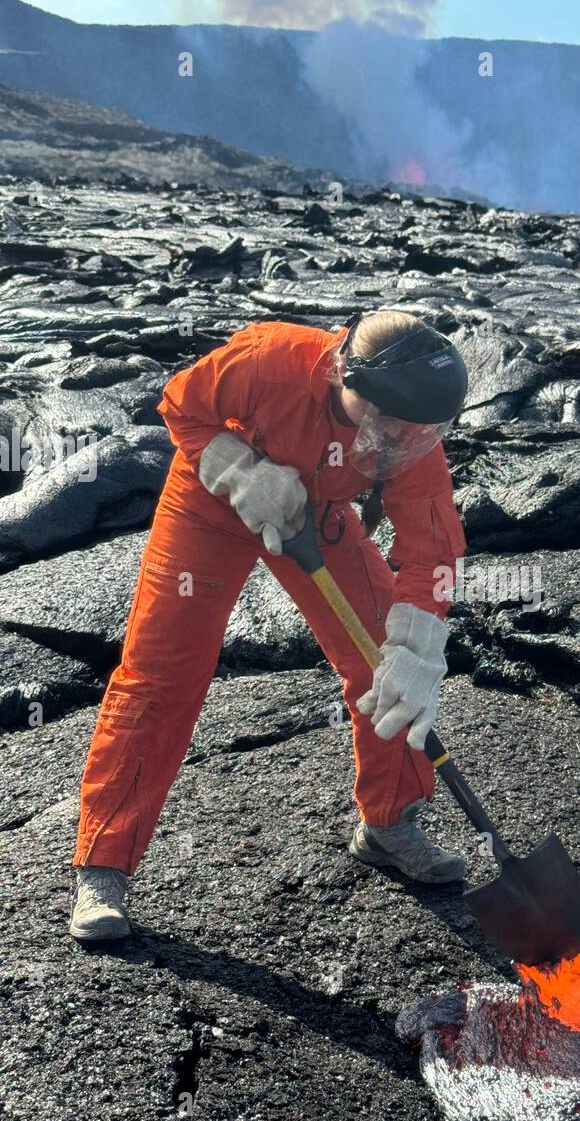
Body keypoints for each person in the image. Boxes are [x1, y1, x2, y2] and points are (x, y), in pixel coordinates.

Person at [69, 310, 469, 942]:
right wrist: (240, 471)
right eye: (384, 419)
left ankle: (389, 824)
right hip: (211, 506)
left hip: (321, 516)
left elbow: (433, 547)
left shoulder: (409, 430)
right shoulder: (266, 360)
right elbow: (180, 405)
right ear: (344, 374)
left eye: (415, 428)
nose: (396, 436)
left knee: (384, 665)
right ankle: (104, 865)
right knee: (161, 676)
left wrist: (420, 647)